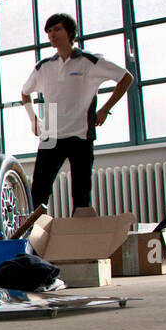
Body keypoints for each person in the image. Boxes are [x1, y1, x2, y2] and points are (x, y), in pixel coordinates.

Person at [21, 12, 133, 211]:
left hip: (80, 135)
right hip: (50, 136)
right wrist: (33, 119)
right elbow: (25, 93)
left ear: (70, 32)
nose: (52, 34)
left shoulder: (90, 61)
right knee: (38, 191)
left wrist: (105, 109)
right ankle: (32, 238)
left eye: (57, 29)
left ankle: (79, 238)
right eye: (49, 31)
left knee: (81, 195)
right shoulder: (44, 67)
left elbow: (126, 78)